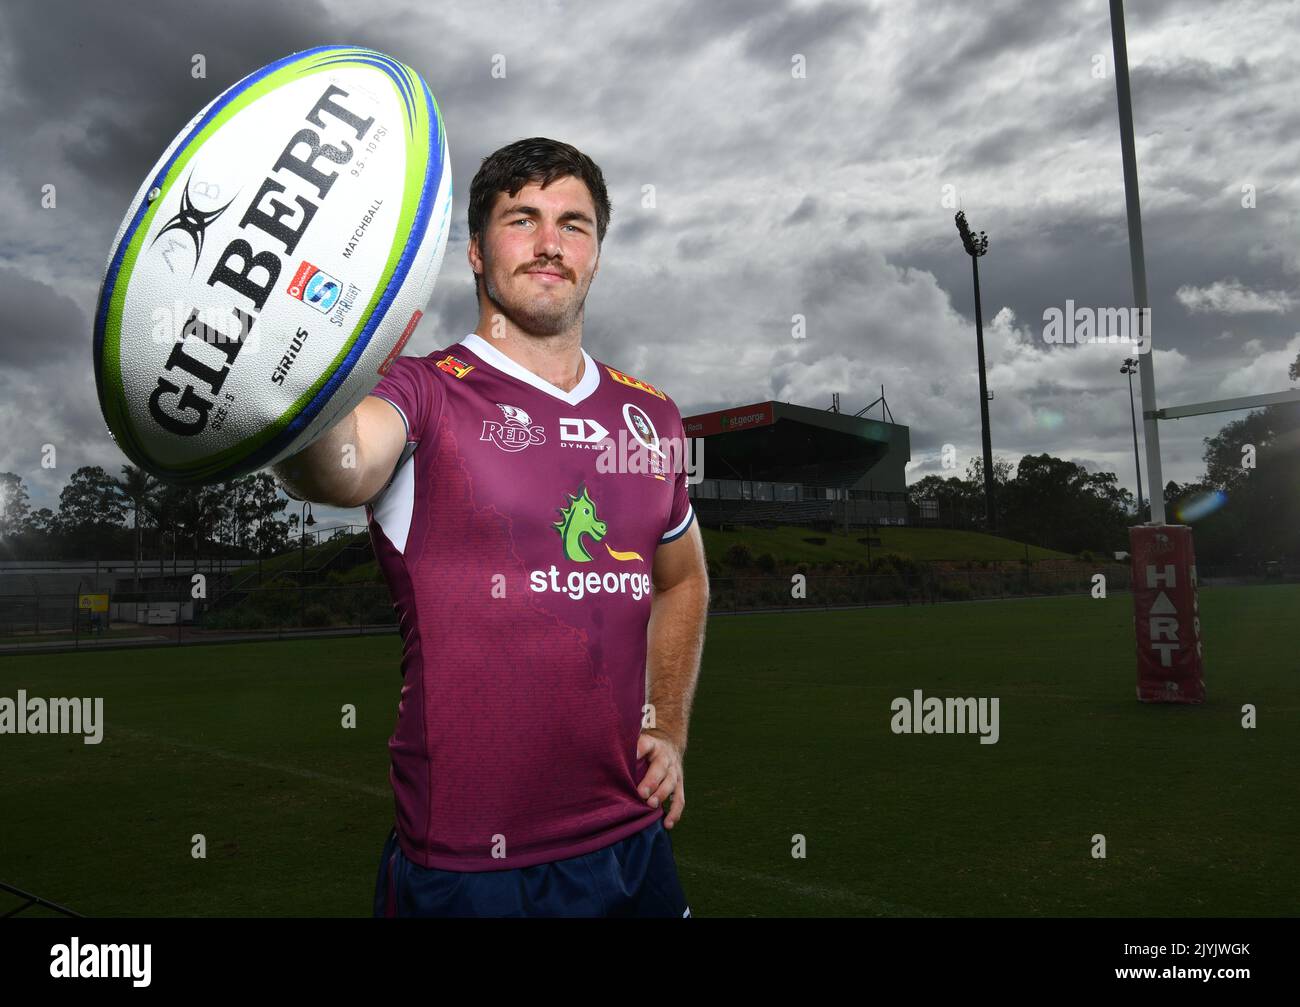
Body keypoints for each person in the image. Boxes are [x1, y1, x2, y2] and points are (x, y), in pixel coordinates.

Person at [273, 137, 709, 917]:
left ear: (598, 254)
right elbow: (339, 467)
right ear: (475, 252)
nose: (550, 244)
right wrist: (277, 387)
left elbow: (682, 578)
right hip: (471, 871)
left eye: (574, 225)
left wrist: (667, 723)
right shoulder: (422, 390)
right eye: (523, 219)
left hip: (635, 844)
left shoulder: (652, 416)